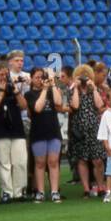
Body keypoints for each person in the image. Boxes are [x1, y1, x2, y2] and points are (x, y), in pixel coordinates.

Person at [0, 63, 29, 204]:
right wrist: (1, 93)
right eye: (0, 75)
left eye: (5, 74)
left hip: (16, 129)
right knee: (4, 163)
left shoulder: (12, 88)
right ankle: (7, 192)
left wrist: (16, 91)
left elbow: (23, 105)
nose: (3, 77)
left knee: (20, 161)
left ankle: (19, 191)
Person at [27, 67, 68, 203]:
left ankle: (55, 191)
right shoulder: (30, 94)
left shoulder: (52, 90)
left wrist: (53, 83)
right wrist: (44, 90)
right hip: (38, 132)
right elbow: (37, 108)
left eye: (41, 77)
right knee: (39, 163)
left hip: (53, 130)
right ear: (32, 79)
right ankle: (40, 191)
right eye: (37, 77)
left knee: (53, 161)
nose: (40, 80)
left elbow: (58, 102)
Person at [67, 63, 106, 198]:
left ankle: (101, 186)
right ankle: (86, 189)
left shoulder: (94, 89)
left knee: (98, 160)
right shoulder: (72, 90)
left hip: (94, 128)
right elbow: (75, 105)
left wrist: (94, 88)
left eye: (86, 76)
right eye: (81, 77)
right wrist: (76, 88)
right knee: (82, 160)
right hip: (80, 129)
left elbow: (100, 105)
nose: (84, 79)